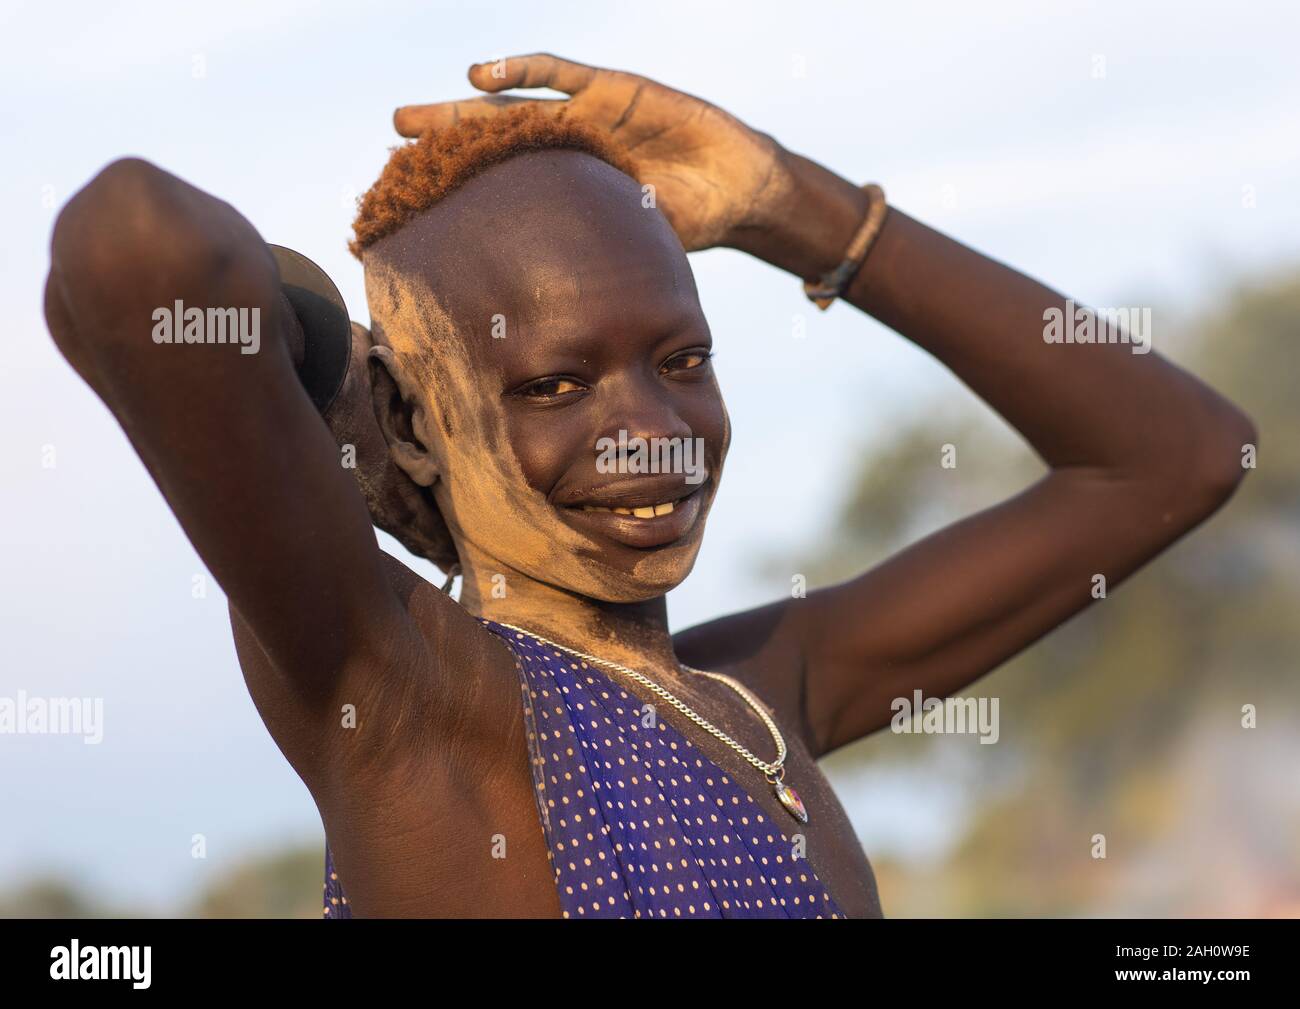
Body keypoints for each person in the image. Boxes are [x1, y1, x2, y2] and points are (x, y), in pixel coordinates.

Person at [43, 54, 1255, 919]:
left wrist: (798, 209)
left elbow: (1181, 456)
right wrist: (343, 388)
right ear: (416, 419)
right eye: (556, 386)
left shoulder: (759, 701)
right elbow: (125, 248)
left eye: (682, 363)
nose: (650, 433)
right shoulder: (413, 703)